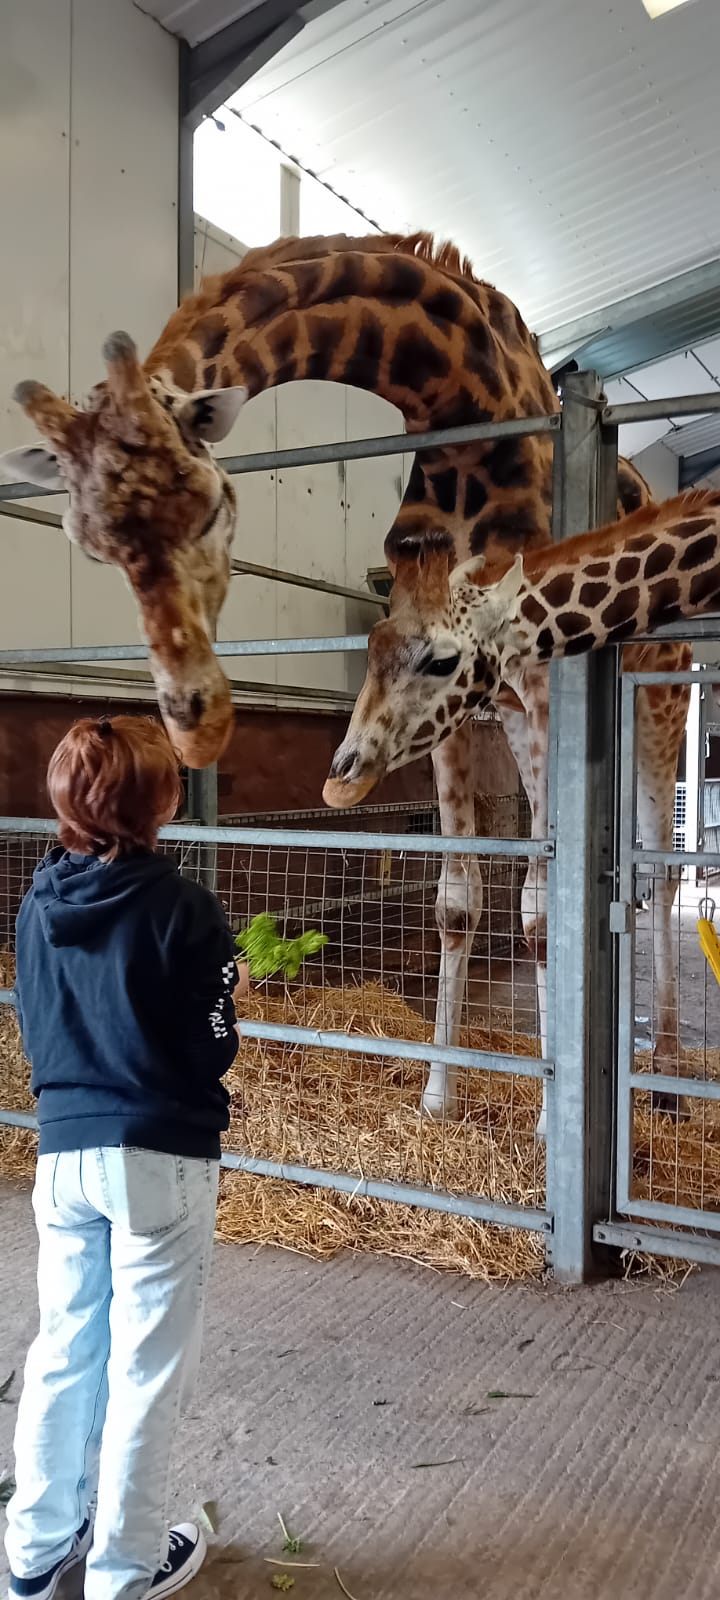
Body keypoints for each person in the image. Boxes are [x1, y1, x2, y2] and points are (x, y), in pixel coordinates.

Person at [4, 715, 248, 1600]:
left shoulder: (37, 903)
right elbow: (208, 1048)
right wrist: (229, 990)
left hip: (60, 1156)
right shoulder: (184, 910)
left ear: (66, 800)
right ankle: (122, 1572)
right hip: (158, 1159)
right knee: (144, 1370)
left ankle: (31, 1557)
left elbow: (34, 1023)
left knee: (65, 1349)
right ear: (163, 802)